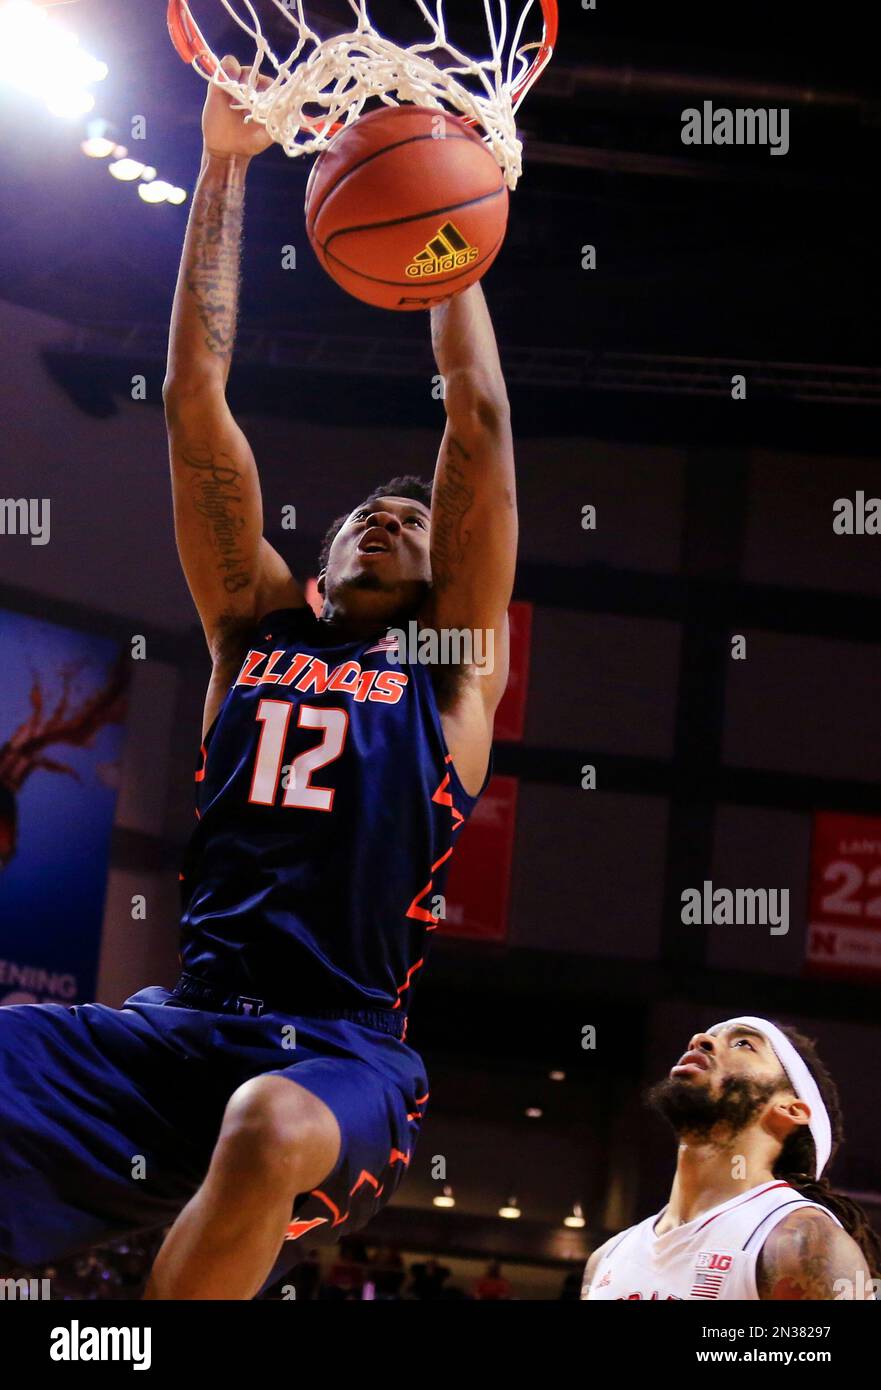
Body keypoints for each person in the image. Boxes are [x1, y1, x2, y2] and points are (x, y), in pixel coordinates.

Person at [0, 61, 514, 1300]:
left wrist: (449, 233)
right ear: (319, 554)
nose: (388, 522)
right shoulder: (251, 632)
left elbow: (478, 426)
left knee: (264, 1129)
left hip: (342, 1059)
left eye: (414, 518)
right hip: (180, 1027)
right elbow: (193, 403)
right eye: (365, 515)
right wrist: (223, 166)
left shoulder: (447, 671)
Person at [582, 1017, 880, 1301]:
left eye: (744, 1044)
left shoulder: (798, 1238)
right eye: (707, 1037)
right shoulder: (607, 1256)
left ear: (791, 1109)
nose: (700, 1040)